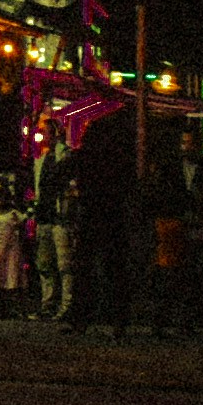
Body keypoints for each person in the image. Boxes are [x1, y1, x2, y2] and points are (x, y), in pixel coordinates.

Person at [70, 105, 141, 335]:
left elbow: (71, 172)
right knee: (114, 268)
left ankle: (82, 318)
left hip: (92, 212)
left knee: (86, 267)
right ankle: (118, 320)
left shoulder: (88, 156)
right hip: (113, 214)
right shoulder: (121, 157)